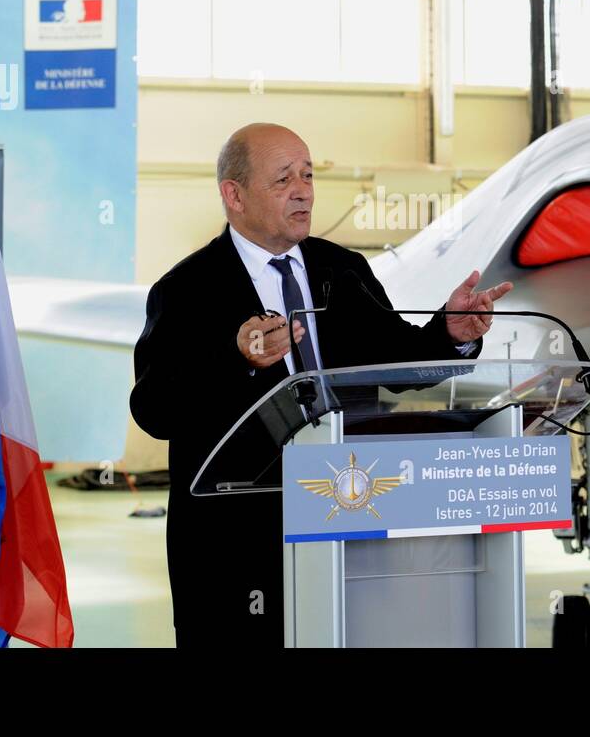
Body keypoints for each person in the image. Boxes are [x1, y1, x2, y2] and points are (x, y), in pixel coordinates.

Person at [129, 122, 513, 647]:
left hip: (346, 517)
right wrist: (235, 358)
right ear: (233, 195)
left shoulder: (343, 269)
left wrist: (450, 333)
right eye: (283, 178)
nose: (303, 190)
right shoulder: (186, 290)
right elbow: (154, 408)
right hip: (235, 540)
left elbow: (395, 358)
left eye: (308, 175)